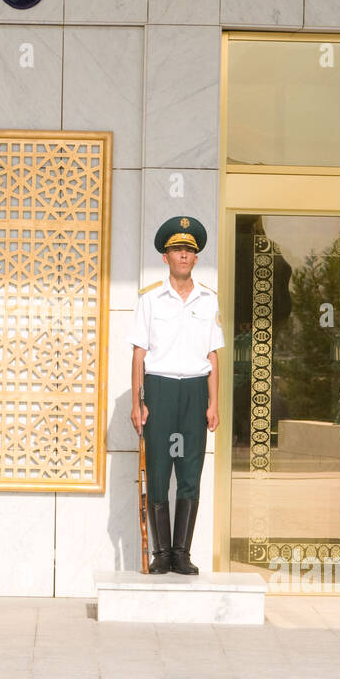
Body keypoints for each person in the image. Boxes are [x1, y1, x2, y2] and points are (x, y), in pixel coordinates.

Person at [129, 216, 224, 575]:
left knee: (189, 471)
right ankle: (161, 553)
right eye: (177, 250)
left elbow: (212, 356)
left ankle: (181, 553)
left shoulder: (207, 300)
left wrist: (213, 402)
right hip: (161, 389)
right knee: (157, 470)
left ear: (196, 259)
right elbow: (138, 354)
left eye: (189, 251)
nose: (183, 256)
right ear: (165, 257)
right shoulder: (150, 299)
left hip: (195, 392)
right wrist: (137, 402)